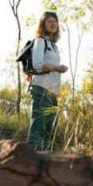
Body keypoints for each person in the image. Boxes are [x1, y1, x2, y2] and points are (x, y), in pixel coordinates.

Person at [27, 11, 67, 151]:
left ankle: (42, 157)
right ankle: (32, 158)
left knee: (49, 126)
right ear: (43, 24)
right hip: (41, 88)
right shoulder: (40, 41)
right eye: (49, 21)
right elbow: (37, 64)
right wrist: (58, 68)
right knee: (39, 123)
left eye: (55, 22)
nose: (53, 24)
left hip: (52, 92)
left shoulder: (53, 46)